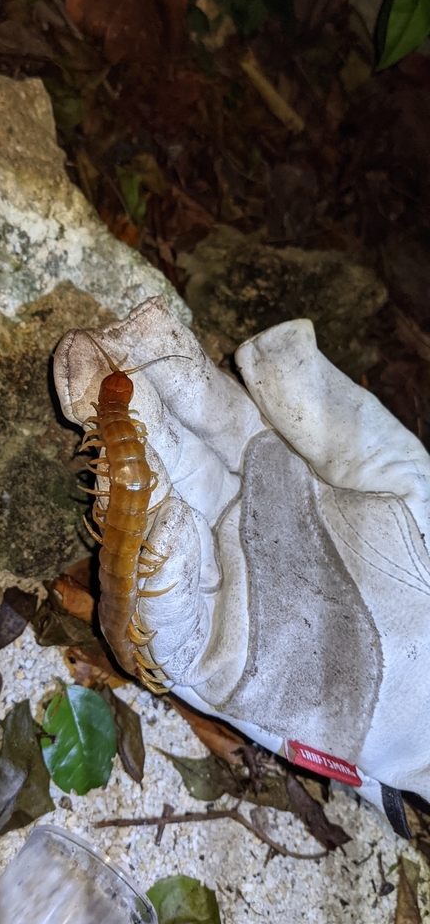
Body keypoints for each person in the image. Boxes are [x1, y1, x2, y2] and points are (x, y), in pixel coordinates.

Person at [54, 296, 430, 837]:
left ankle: (133, 650)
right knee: (147, 547)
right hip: (127, 588)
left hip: (133, 608)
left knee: (149, 563)